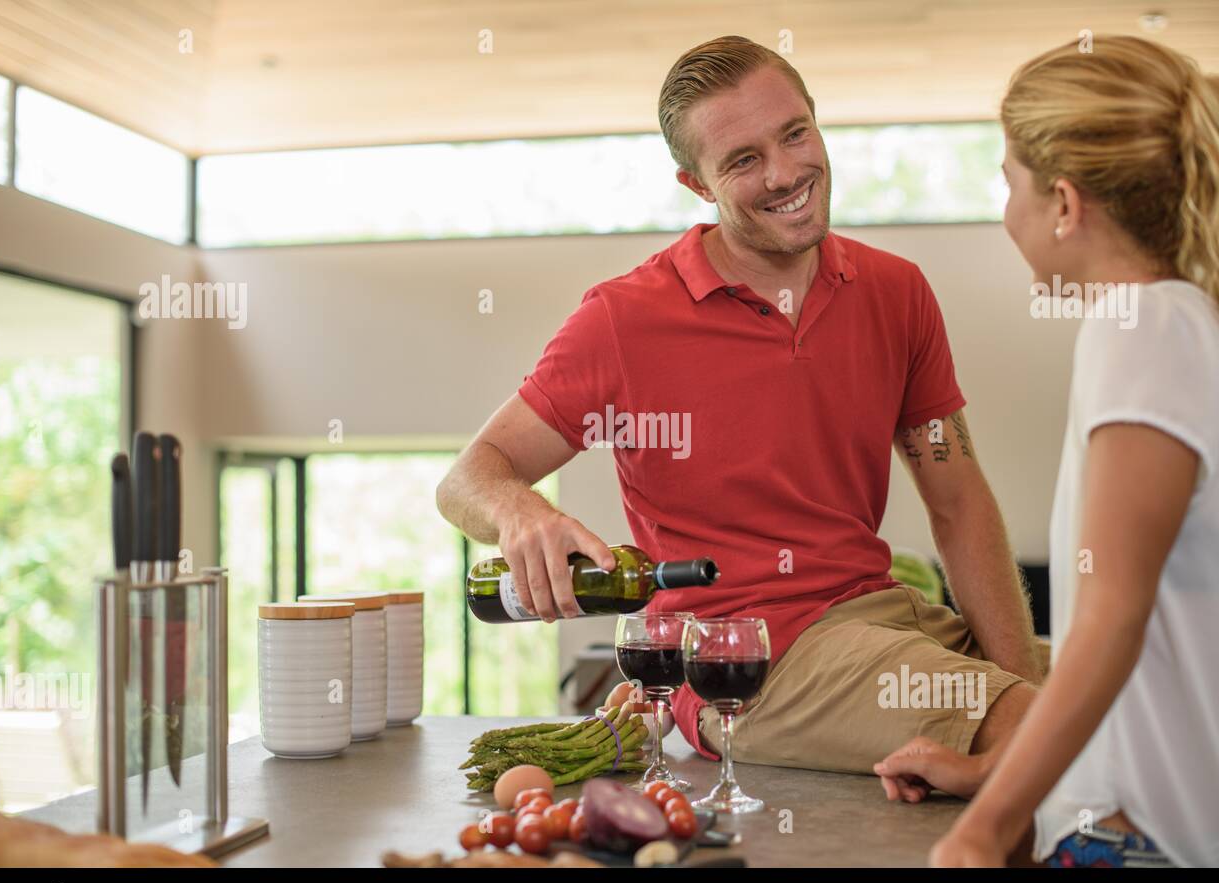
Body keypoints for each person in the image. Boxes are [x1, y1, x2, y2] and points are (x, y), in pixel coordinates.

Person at [437, 35, 1043, 774]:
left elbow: (958, 496)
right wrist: (520, 512)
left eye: (794, 134)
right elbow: (468, 477)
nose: (786, 173)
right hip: (751, 665)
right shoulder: (623, 320)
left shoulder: (898, 292)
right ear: (697, 184)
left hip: (880, 618)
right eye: (744, 159)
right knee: (1043, 724)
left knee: (1114, 696)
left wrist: (1024, 680)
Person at [873, 35, 1219, 868]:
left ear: (1064, 202)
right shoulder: (1195, 324)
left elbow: (1111, 619)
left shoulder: (1141, 328)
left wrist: (982, 835)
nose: (1005, 212)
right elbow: (1168, 629)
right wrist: (998, 771)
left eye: (1007, 182)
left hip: (1142, 852)